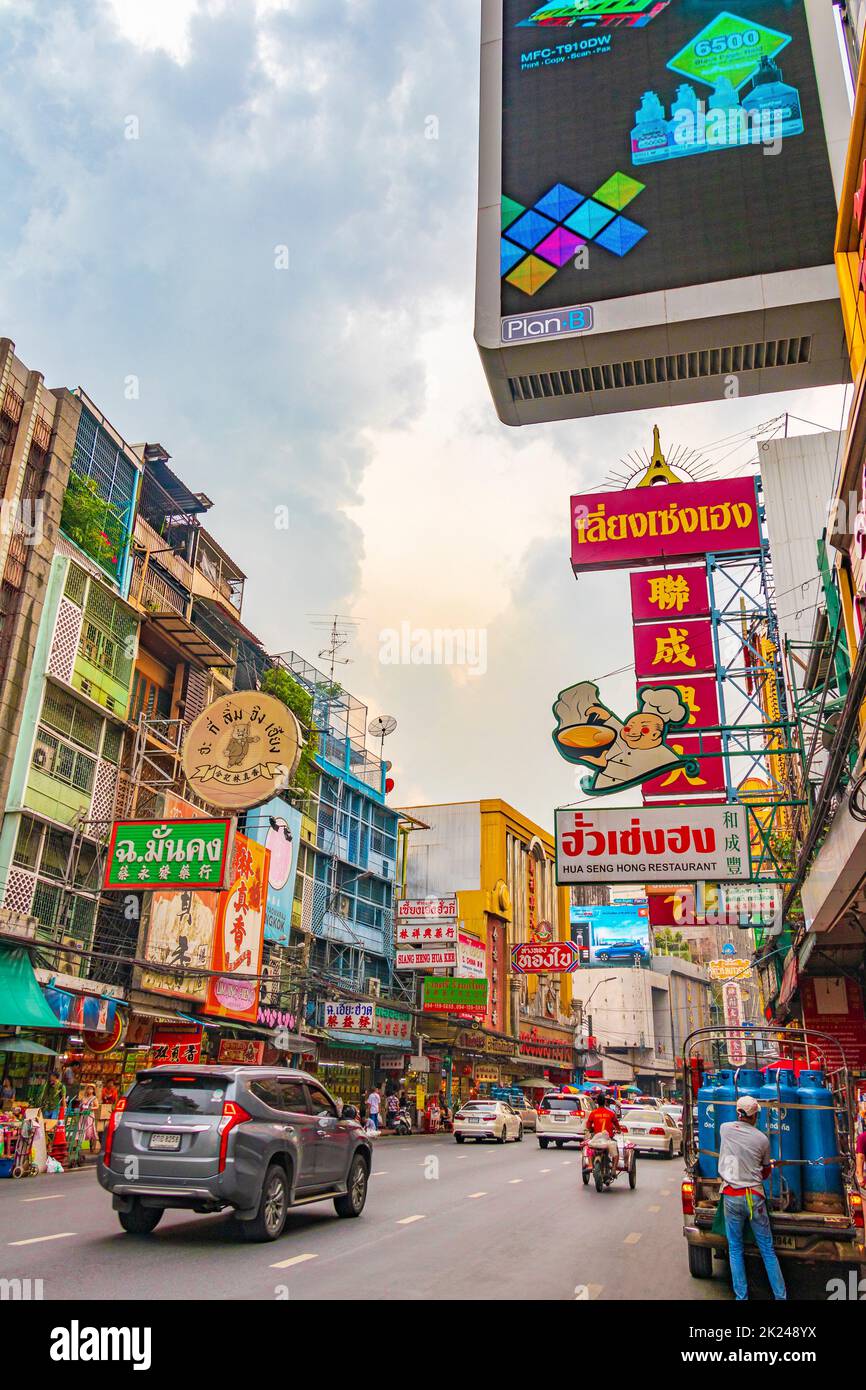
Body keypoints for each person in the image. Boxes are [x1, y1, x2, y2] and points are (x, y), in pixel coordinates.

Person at [717, 1094, 786, 1301]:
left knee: (735, 1248)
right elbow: (765, 1173)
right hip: (754, 1196)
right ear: (755, 1115)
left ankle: (741, 1297)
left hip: (731, 1195)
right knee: (767, 1249)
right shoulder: (762, 1139)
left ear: (738, 1113)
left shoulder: (725, 1129)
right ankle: (780, 1296)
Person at [584, 1092, 621, 1168]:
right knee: (615, 1150)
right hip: (608, 1138)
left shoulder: (593, 1113)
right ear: (605, 1102)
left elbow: (588, 1126)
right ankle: (614, 1169)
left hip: (596, 1138)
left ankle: (590, 1165)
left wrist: (591, 1129)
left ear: (597, 1102)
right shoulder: (611, 1113)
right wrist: (619, 1130)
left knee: (589, 1147)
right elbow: (617, 1125)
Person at [80, 1084, 100, 1156]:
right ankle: (80, 1146)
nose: (89, 1090)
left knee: (90, 1129)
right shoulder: (84, 1097)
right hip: (83, 1115)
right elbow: (81, 1105)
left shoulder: (94, 1098)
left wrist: (90, 1108)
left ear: (93, 1091)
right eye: (88, 1089)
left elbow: (97, 1106)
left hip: (90, 1115)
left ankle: (91, 1146)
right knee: (82, 1129)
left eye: (91, 1089)